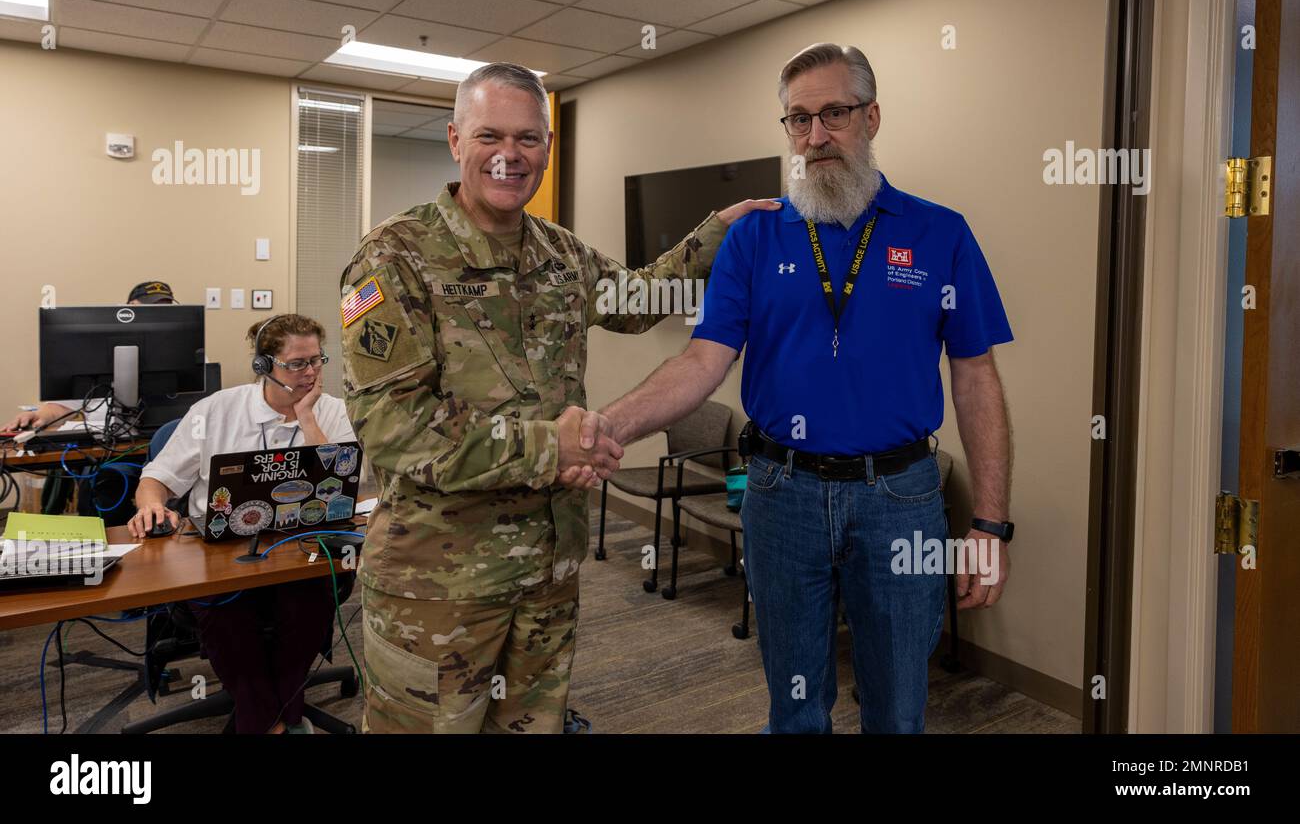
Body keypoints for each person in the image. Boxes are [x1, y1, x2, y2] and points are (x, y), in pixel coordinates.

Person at [340, 61, 779, 733]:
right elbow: (394, 430)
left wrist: (719, 230)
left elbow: (638, 300)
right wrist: (554, 445)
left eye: (529, 139)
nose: (511, 156)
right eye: (491, 136)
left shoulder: (558, 252)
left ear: (547, 146)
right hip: (438, 586)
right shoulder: (393, 257)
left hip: (547, 569)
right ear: (456, 141)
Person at [596, 43, 1015, 733]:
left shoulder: (941, 233)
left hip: (900, 499)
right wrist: (611, 426)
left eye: (834, 114)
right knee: (794, 709)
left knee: (899, 708)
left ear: (872, 117)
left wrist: (990, 524)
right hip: (780, 494)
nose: (816, 136)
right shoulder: (756, 237)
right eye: (798, 119)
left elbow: (976, 377)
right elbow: (703, 361)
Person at [129, 314, 357, 734]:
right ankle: (273, 721)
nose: (310, 373)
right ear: (263, 366)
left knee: (305, 605)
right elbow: (155, 479)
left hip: (298, 547)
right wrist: (151, 507)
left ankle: (268, 719)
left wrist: (307, 418)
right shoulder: (215, 411)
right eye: (296, 364)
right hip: (219, 553)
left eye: (317, 361)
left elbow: (334, 481)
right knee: (226, 612)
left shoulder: (334, 412)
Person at [2, 281, 178, 434]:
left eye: (166, 309)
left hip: (167, 445)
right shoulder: (94, 354)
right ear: (128, 309)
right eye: (151, 308)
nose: (158, 314)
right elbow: (62, 407)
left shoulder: (185, 354)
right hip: (106, 445)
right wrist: (37, 416)